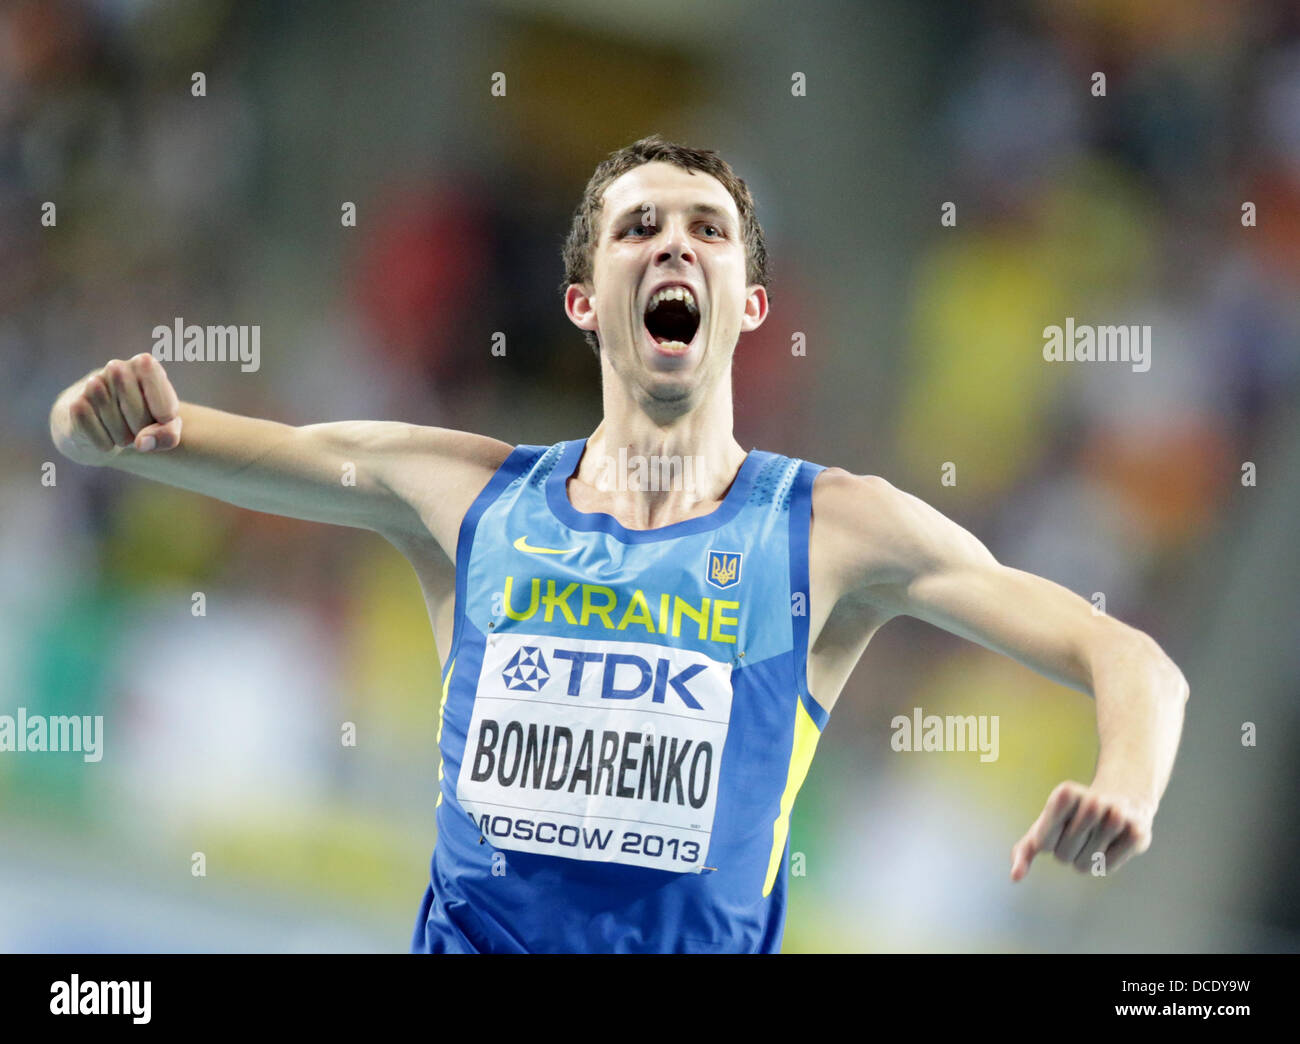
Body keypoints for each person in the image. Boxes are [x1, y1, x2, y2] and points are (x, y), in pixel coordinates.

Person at [48, 135, 1189, 954]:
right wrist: (91, 423)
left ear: (749, 302)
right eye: (637, 228)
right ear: (585, 299)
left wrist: (1123, 789)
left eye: (709, 230)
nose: (673, 247)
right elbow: (138, 436)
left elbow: (1130, 658)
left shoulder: (833, 529)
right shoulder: (463, 494)